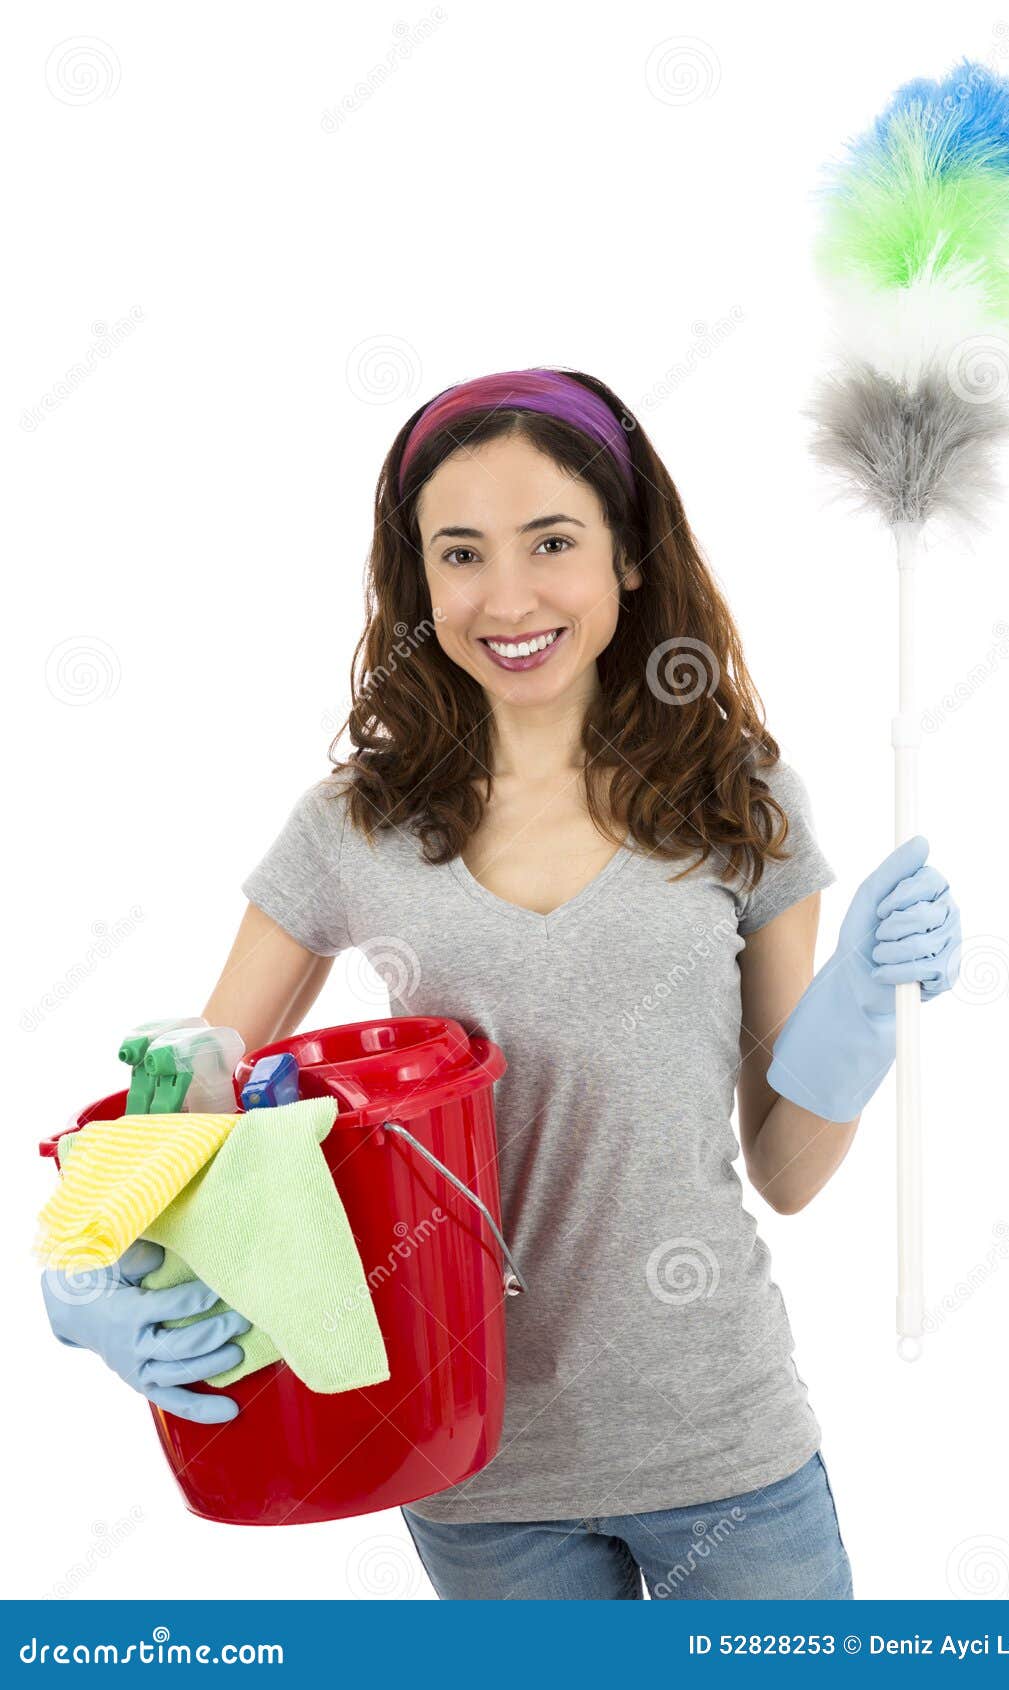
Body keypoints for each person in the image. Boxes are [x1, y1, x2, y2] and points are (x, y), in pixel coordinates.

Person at [42, 367, 961, 1600]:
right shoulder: (350, 828)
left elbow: (787, 1175)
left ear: (629, 557)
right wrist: (81, 1274)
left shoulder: (737, 803)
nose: (508, 595)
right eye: (460, 553)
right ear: (415, 578)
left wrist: (854, 1014)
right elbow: (189, 1105)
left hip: (724, 1451)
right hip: (470, 1475)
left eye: (552, 543)